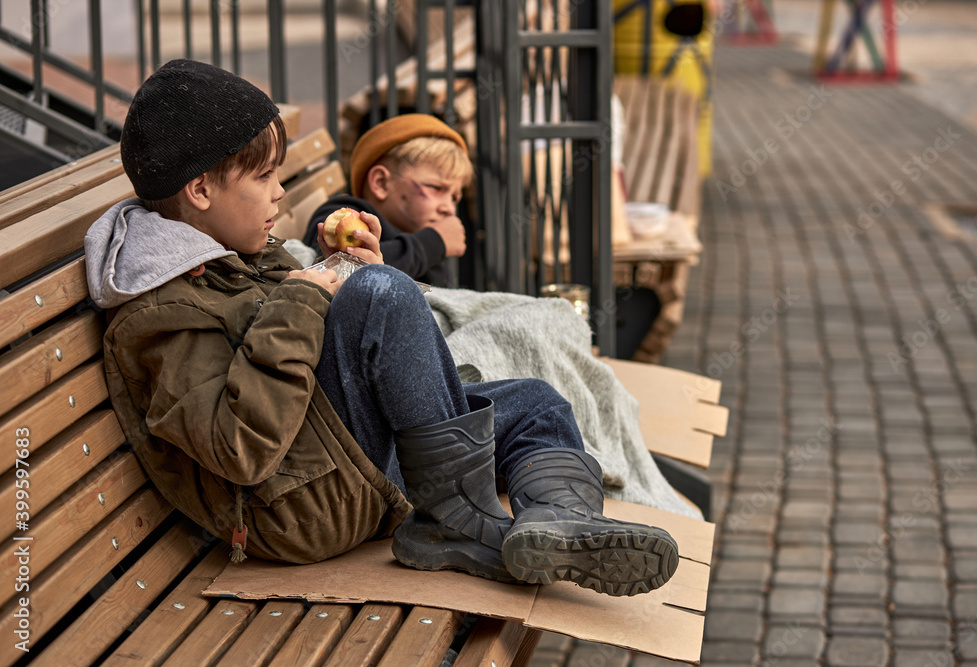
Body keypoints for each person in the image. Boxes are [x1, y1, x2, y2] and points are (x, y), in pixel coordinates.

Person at [85, 59, 679, 597]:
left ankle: (563, 521)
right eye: (265, 177)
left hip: (342, 463)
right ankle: (457, 522)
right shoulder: (157, 311)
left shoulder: (232, 252)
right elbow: (239, 450)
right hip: (298, 509)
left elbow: (309, 341)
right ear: (201, 190)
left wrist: (342, 275)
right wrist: (324, 296)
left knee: (535, 402)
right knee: (382, 292)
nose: (280, 192)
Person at [303, 113, 468, 287]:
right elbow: (335, 266)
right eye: (436, 188)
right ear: (381, 183)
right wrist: (433, 243)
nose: (449, 208)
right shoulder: (349, 213)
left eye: (454, 197)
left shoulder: (417, 232)